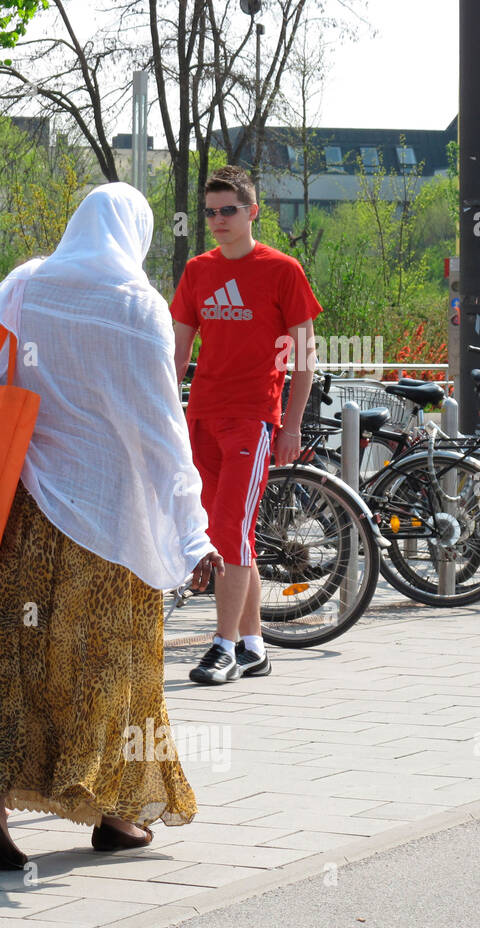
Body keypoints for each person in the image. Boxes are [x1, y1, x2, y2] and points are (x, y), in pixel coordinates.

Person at [0, 183, 221, 871]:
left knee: (5, 665)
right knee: (107, 665)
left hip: (18, 508)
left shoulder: (28, 283)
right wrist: (193, 530)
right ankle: (112, 813)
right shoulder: (139, 307)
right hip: (108, 523)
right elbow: (163, 430)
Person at [170, 165, 322, 685]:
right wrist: (164, 412)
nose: (217, 220)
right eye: (210, 212)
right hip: (201, 418)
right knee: (227, 535)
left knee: (231, 532)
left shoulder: (282, 270)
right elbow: (178, 351)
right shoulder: (197, 271)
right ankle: (255, 646)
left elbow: (304, 358)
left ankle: (223, 647)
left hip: (254, 418)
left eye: (228, 210)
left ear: (252, 211)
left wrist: (292, 426)